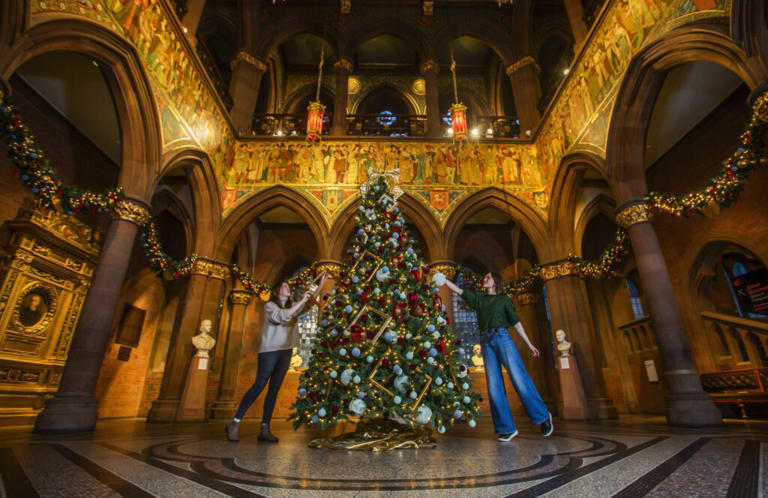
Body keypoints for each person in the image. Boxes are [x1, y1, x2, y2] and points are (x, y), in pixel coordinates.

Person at [440, 272, 553, 441]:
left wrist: (529, 344)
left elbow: (516, 322)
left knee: (519, 378)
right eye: (484, 276)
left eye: (488, 277)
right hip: (485, 341)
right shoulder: (480, 300)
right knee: (494, 386)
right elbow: (461, 292)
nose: (484, 279)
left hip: (502, 338)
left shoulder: (504, 300)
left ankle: (543, 416)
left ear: (495, 282)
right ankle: (506, 428)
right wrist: (445, 281)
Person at [225, 275, 326, 443]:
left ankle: (265, 428)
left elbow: (307, 304)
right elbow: (282, 316)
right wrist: (302, 300)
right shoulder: (270, 306)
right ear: (277, 290)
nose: (288, 288)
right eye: (285, 285)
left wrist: (321, 285)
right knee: (259, 385)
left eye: (289, 286)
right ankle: (234, 423)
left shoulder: (293, 306)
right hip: (269, 351)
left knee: (274, 391)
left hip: (285, 352)